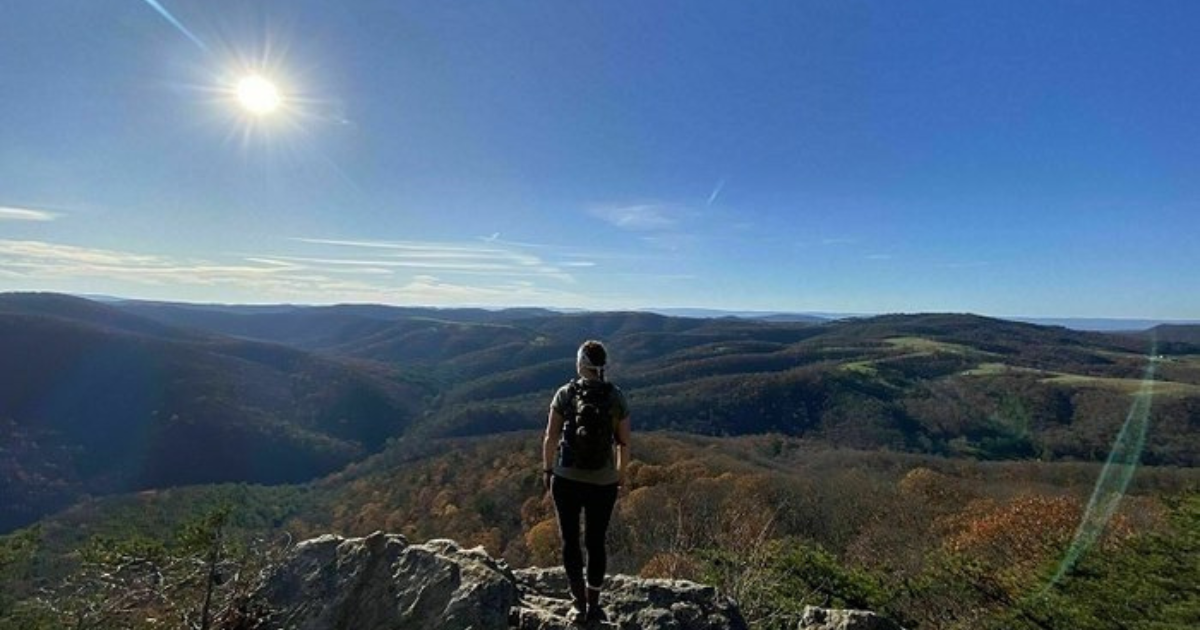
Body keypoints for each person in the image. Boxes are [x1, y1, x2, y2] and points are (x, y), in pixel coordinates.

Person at [542, 339, 632, 623]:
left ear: (580, 363)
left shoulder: (566, 394)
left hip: (566, 478)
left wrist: (548, 470)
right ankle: (594, 604)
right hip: (603, 482)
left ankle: (578, 604)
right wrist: (620, 476)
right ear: (604, 366)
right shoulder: (616, 396)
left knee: (570, 541)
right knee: (596, 541)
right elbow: (623, 443)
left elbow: (550, 437)